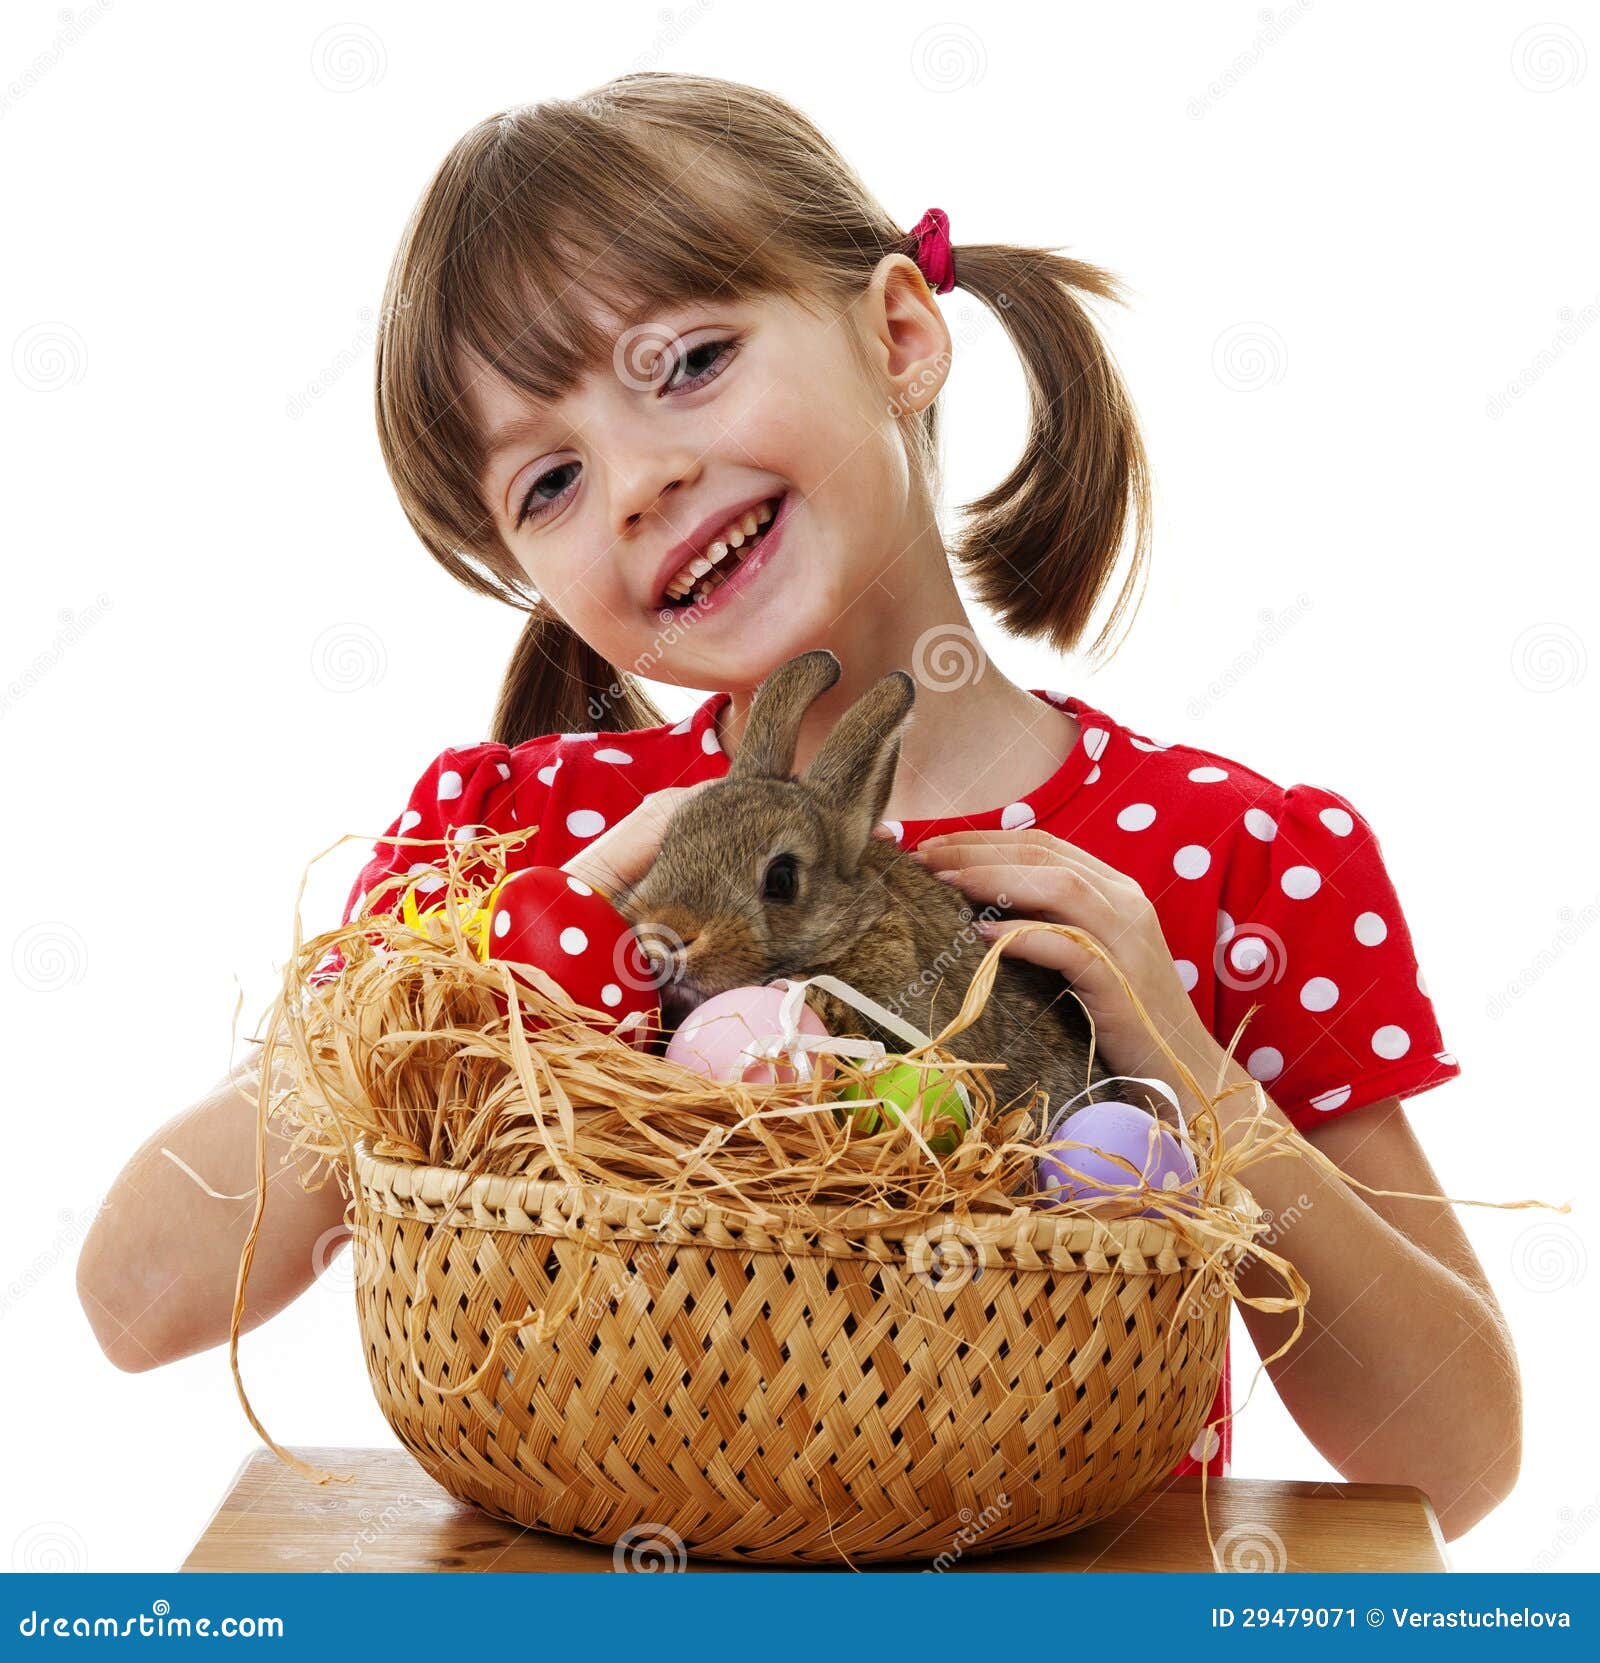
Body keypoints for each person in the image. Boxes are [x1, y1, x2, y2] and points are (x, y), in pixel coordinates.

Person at [77, 73, 1518, 1541]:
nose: (639, 481)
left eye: (691, 361)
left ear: (900, 336)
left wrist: (1194, 1075)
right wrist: (523, 943)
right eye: (550, 481)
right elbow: (140, 1301)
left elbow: (1456, 1460)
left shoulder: (1229, 859)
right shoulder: (510, 845)